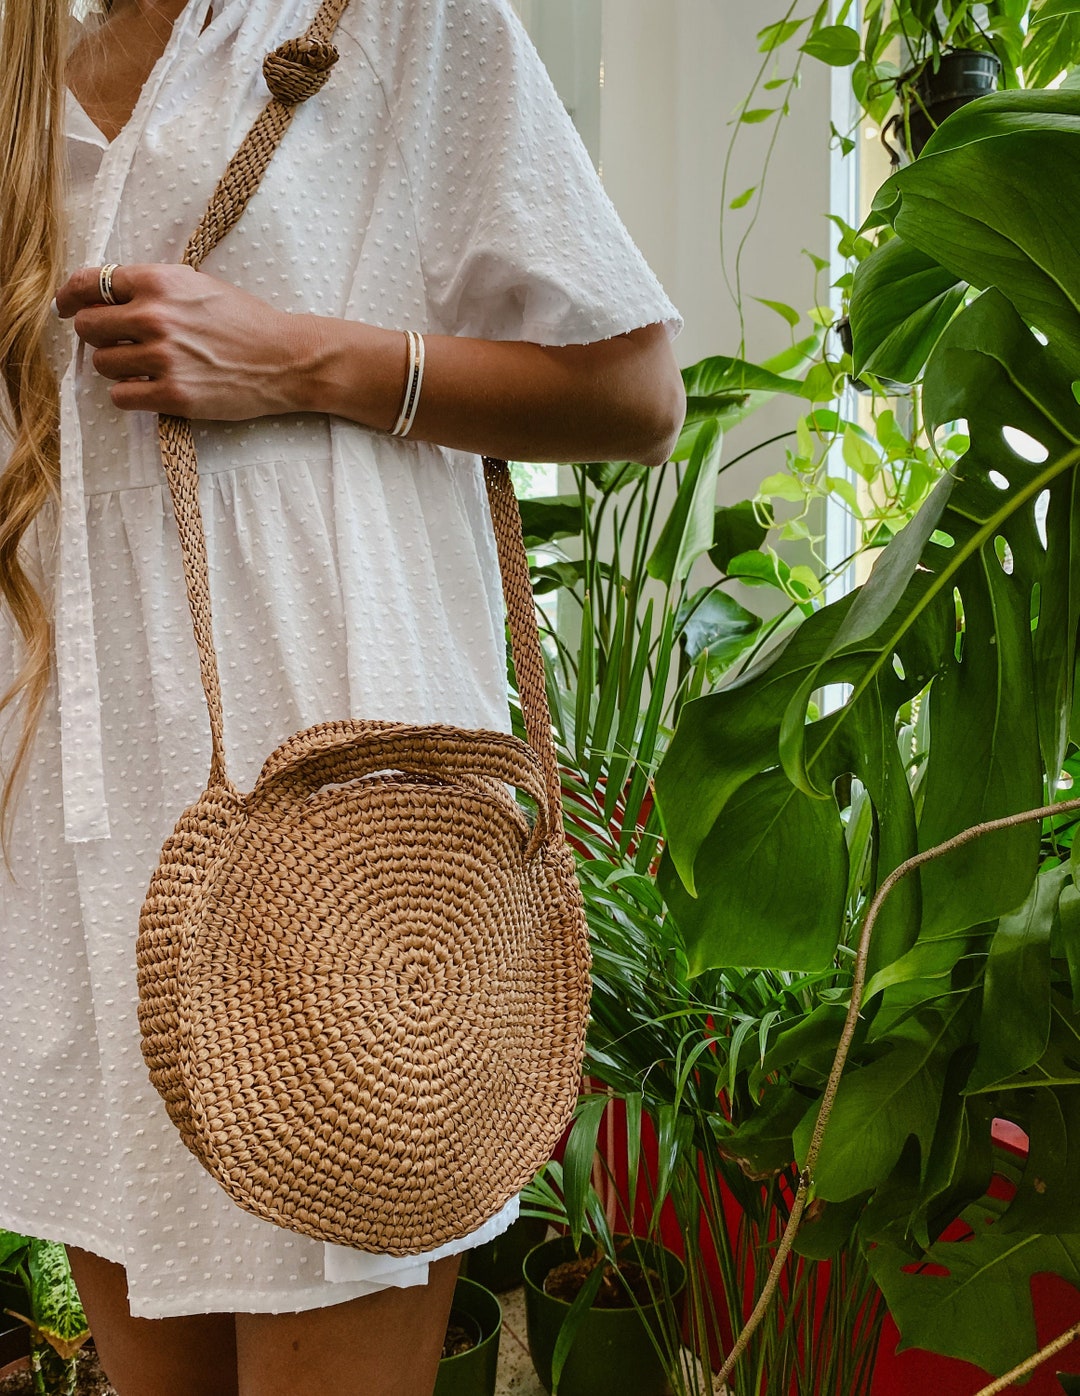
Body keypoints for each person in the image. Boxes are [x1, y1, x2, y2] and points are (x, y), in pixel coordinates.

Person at [0, 0, 684, 1392]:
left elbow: (634, 394)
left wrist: (297, 358)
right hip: (74, 826)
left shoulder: (392, 19)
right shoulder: (24, 60)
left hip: (343, 824)